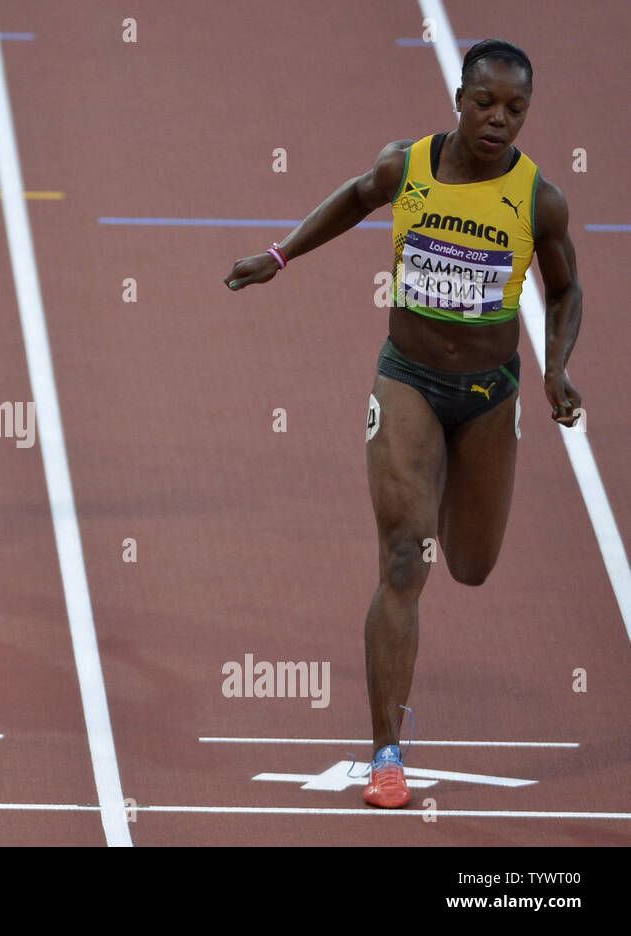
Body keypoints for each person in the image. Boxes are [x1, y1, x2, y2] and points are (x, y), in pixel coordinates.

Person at [222, 40, 583, 807]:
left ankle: (448, 489)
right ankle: (387, 753)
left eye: (515, 109)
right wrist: (279, 257)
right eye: (485, 102)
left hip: (489, 394)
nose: (498, 120)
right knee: (401, 560)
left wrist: (554, 370)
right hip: (410, 380)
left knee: (471, 565)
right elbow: (356, 197)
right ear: (459, 97)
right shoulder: (406, 167)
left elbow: (565, 290)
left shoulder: (538, 199)